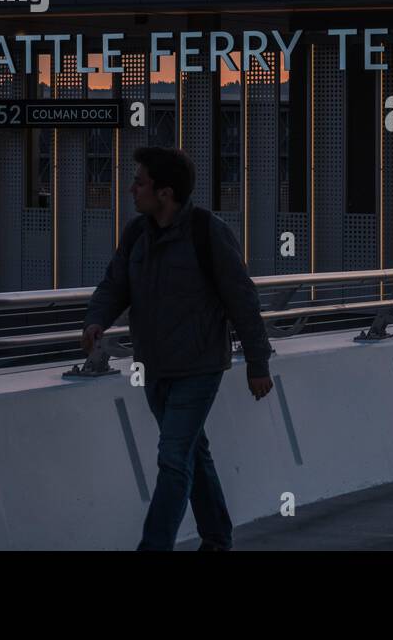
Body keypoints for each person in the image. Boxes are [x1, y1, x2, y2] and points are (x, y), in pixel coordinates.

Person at [81, 145, 273, 551]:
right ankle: (217, 537)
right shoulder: (137, 233)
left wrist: (258, 364)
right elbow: (115, 284)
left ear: (165, 192)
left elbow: (243, 300)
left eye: (140, 182)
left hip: (198, 367)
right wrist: (96, 318)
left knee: (172, 459)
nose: (132, 189)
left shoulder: (209, 232)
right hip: (152, 367)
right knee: (191, 452)